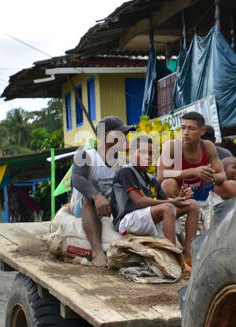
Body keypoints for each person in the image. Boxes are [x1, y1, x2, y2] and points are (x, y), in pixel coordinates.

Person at [114, 153, 199, 275]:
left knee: (192, 205)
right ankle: (173, 258)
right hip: (128, 220)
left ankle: (188, 254)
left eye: (150, 154)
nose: (148, 157)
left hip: (149, 217)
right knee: (168, 207)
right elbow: (139, 201)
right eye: (143, 152)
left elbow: (167, 202)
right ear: (133, 154)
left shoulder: (151, 179)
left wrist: (180, 198)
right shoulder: (126, 171)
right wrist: (171, 202)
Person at [71, 115, 129, 267]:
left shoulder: (124, 162)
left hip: (110, 212)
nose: (124, 137)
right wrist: (96, 196)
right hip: (84, 210)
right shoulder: (85, 155)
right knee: (87, 199)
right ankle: (97, 253)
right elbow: (76, 178)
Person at [159, 111, 225, 203]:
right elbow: (161, 175)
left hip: (200, 192)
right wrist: (194, 172)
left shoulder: (208, 146)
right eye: (183, 128)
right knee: (168, 184)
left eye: (191, 129)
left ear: (202, 131)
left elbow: (222, 175)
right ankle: (176, 214)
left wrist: (211, 176)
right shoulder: (171, 146)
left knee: (230, 185)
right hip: (180, 194)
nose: (185, 132)